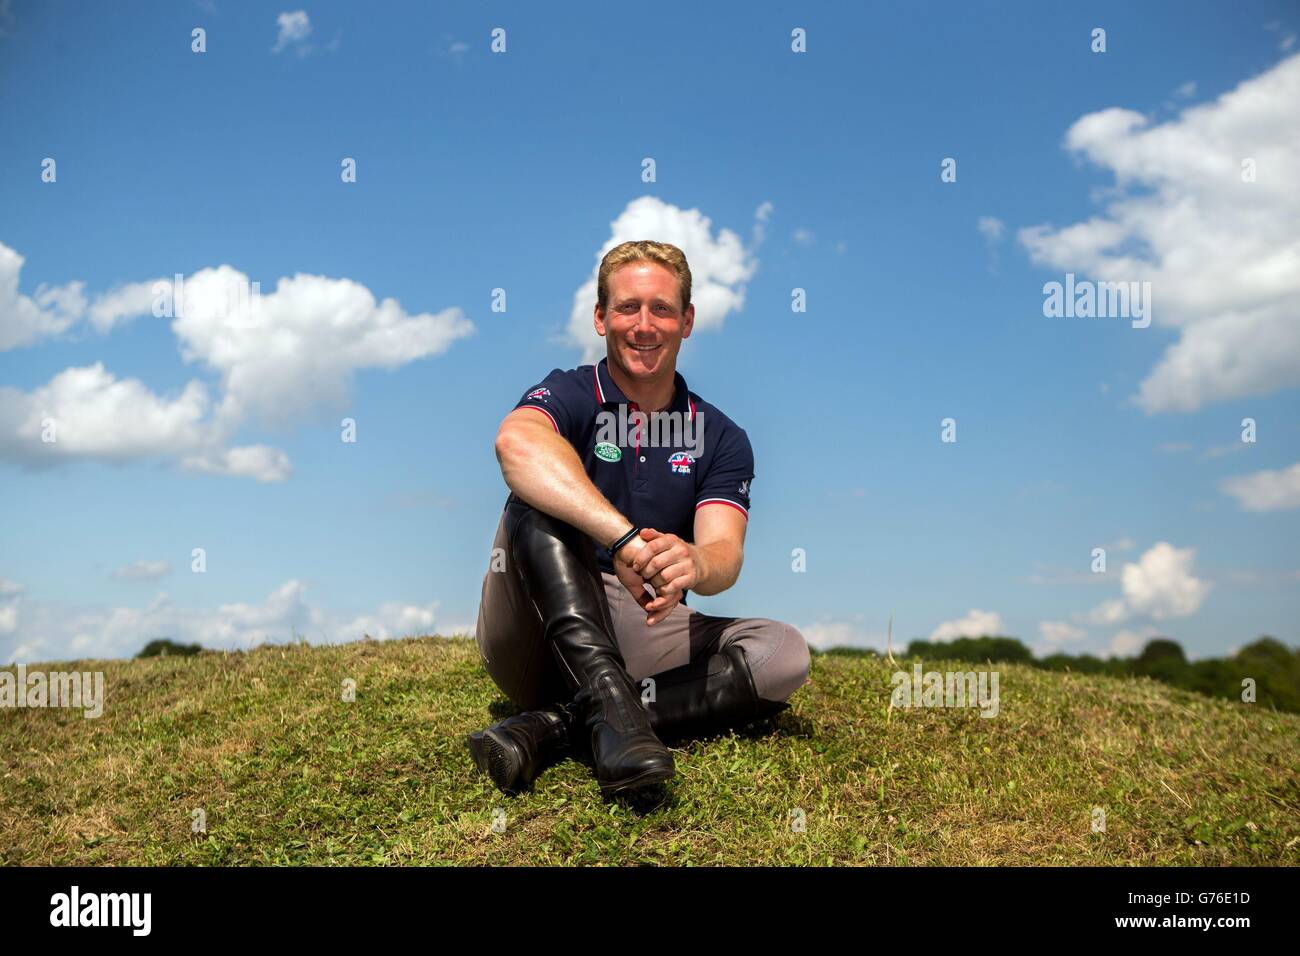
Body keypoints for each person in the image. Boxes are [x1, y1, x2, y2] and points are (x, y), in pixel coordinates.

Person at [470, 239, 810, 798]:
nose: (645, 325)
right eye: (628, 307)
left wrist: (695, 562)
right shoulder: (571, 391)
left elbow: (725, 556)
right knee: (535, 497)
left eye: (662, 309)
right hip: (535, 632)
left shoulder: (722, 436)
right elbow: (516, 445)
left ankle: (563, 726)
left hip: (642, 632)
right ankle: (603, 705)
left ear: (688, 321)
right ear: (601, 318)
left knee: (783, 654)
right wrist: (624, 540)